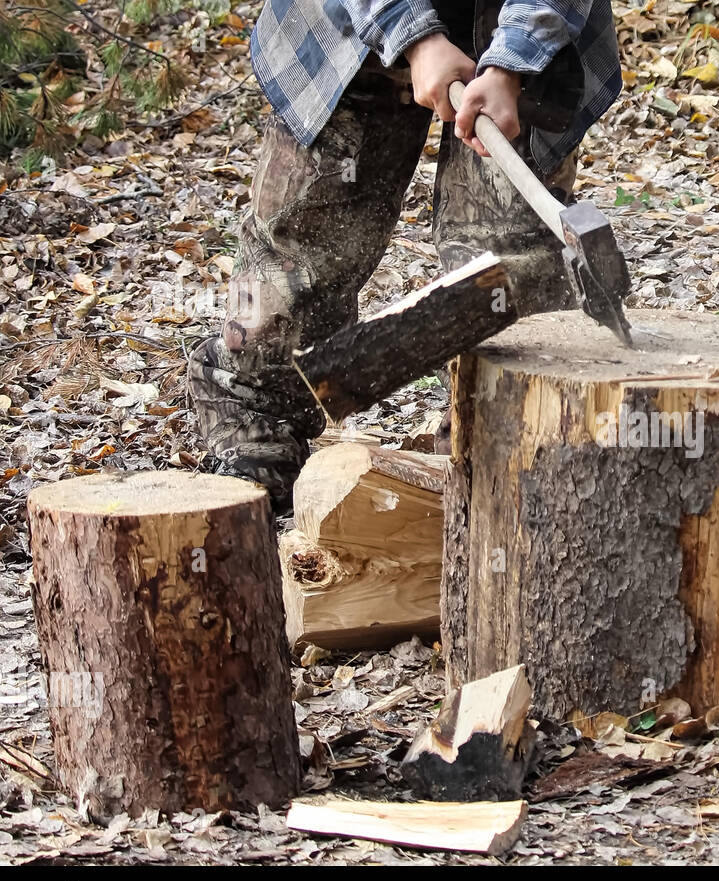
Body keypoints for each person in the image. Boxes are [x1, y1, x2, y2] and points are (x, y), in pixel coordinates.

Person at [187, 0, 621, 511]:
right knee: (291, 275)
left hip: (529, 26)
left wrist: (512, 60)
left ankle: (489, 491)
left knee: (503, 277)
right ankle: (253, 456)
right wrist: (414, 35)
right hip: (348, 24)